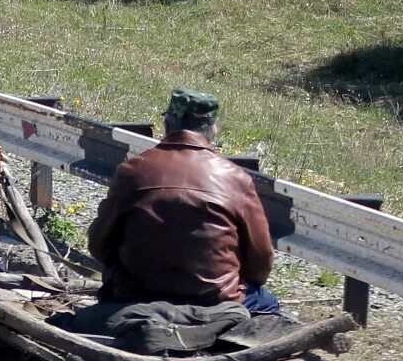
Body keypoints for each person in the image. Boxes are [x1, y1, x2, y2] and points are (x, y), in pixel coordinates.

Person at [87, 88, 279, 314]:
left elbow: (100, 245)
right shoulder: (236, 179)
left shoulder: (132, 171)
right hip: (215, 302)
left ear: (167, 125)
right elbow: (260, 261)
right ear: (212, 130)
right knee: (267, 303)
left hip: (135, 295)